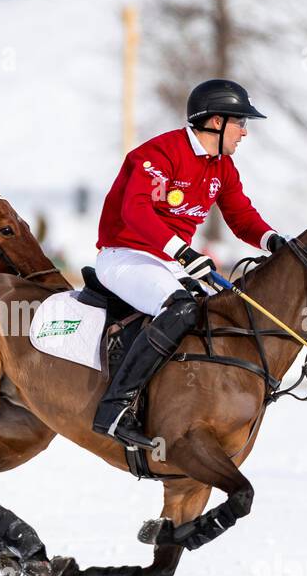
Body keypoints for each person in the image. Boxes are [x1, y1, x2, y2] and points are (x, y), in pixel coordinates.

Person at [91, 79, 285, 449]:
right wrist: (181, 252)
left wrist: (273, 240)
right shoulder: (160, 154)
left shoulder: (222, 168)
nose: (244, 132)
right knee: (180, 307)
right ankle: (115, 409)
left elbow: (242, 217)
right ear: (216, 122)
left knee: (221, 311)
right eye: (240, 122)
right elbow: (136, 209)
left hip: (168, 261)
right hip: (125, 255)